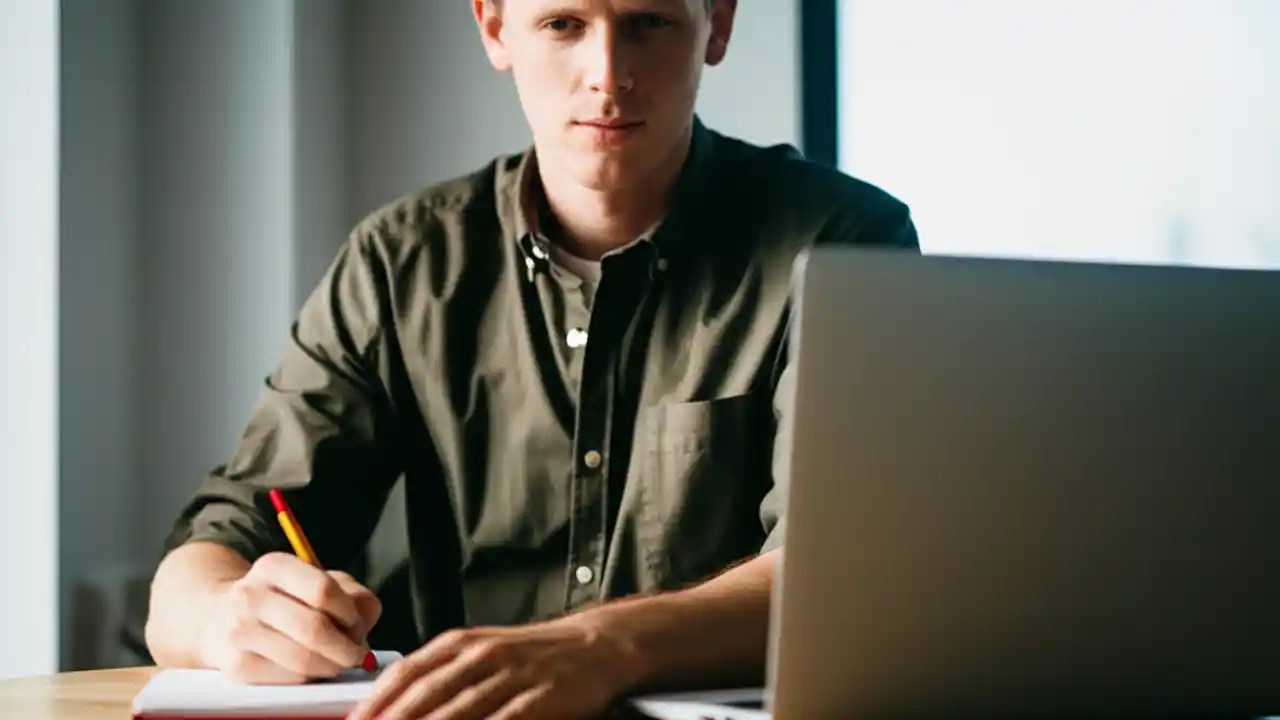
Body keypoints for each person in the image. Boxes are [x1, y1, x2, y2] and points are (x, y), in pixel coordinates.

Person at [144, 0, 918, 718]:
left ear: (716, 23)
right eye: (562, 24)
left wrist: (598, 648)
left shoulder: (845, 242)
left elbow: (841, 576)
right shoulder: (399, 262)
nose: (608, 73)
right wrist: (225, 618)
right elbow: (216, 547)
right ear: (494, 27)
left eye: (649, 21)